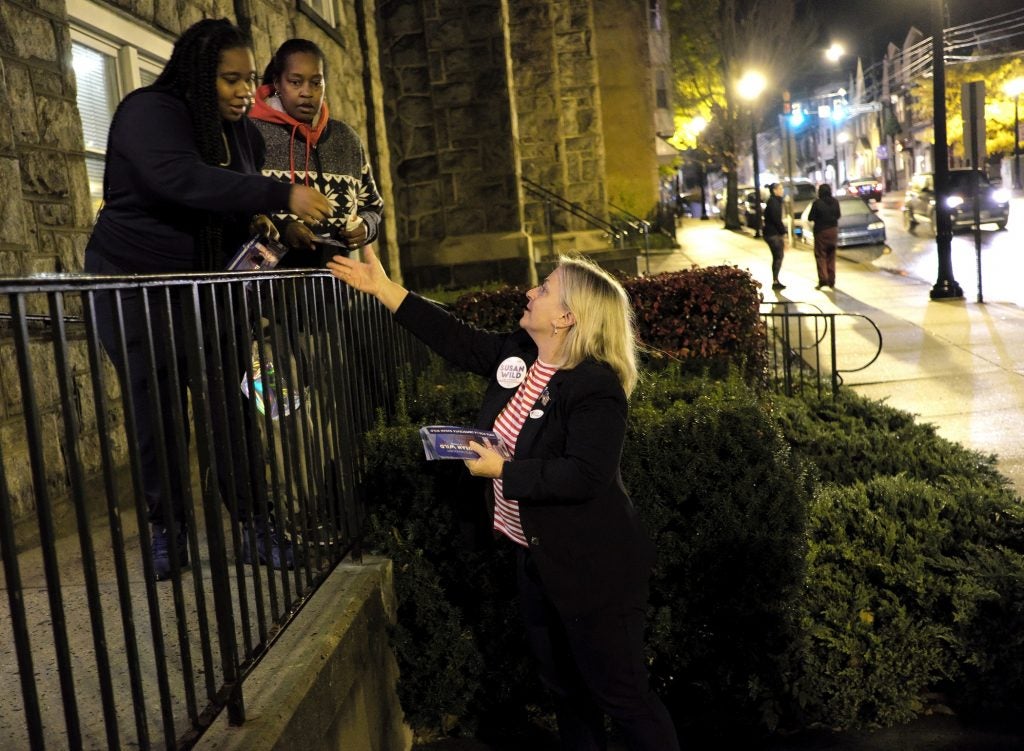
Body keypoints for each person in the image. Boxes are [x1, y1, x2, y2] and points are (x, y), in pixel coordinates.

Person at [327, 247, 680, 750]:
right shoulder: (523, 355)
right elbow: (458, 341)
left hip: (594, 569)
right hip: (535, 559)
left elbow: (586, 475)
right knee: (564, 691)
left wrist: (504, 471)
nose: (529, 293)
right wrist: (384, 289)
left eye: (544, 289)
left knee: (622, 696)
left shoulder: (595, 387)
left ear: (566, 317)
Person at [83, 18, 332, 580]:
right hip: (135, 287)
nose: (246, 91)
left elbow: (226, 197)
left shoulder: (240, 133)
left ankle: (255, 524)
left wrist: (269, 221)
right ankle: (167, 529)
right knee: (159, 412)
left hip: (207, 290)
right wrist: (280, 191)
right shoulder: (149, 112)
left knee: (231, 410)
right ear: (199, 76)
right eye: (230, 80)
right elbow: (180, 180)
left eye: (250, 80)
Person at [249, 38, 384, 265]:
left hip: (336, 288)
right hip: (271, 289)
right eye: (295, 82)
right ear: (277, 83)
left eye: (316, 83)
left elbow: (372, 206)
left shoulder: (346, 139)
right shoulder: (251, 134)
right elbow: (237, 208)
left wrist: (366, 227)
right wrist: (283, 229)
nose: (307, 92)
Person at [808, 183, 841, 289]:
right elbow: (838, 215)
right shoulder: (835, 202)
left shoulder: (817, 203)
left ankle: (823, 279)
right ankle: (832, 280)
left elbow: (810, 217)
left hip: (821, 232)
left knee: (820, 255)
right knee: (831, 255)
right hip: (833, 231)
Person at [762, 182, 787, 290]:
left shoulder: (774, 201)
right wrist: (783, 232)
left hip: (771, 233)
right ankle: (775, 280)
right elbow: (776, 219)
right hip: (773, 234)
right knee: (778, 256)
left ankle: (776, 279)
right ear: (774, 190)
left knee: (777, 256)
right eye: (780, 189)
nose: (782, 191)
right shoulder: (774, 202)